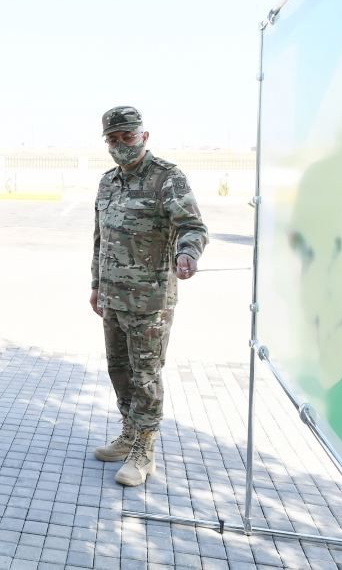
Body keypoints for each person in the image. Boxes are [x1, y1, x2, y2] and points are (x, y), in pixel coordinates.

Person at [89, 105, 207, 486]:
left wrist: (187, 252)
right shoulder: (107, 182)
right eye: (113, 139)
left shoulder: (167, 179)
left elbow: (192, 226)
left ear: (144, 136)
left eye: (128, 137)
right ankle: (128, 433)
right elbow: (99, 239)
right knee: (118, 370)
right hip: (112, 297)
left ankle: (145, 449)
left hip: (150, 301)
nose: (121, 145)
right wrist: (95, 285)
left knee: (146, 376)